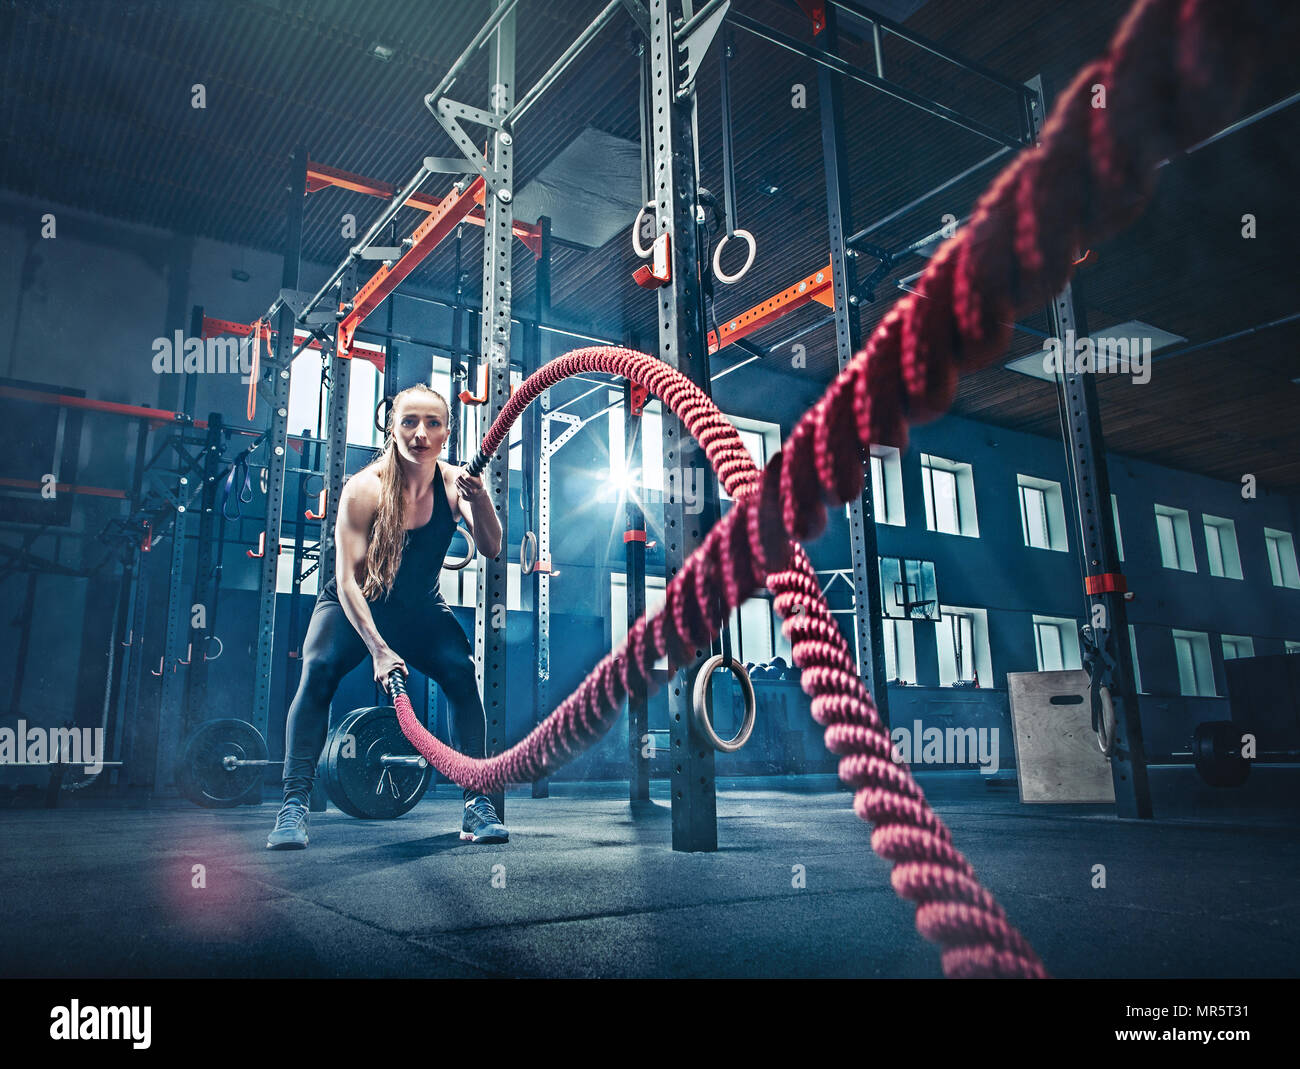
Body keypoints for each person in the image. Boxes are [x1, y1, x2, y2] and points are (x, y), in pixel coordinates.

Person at [267, 382, 506, 849]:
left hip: (419, 608)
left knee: (461, 671)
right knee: (318, 669)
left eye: (432, 424)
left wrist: (480, 499)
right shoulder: (364, 489)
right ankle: (293, 805)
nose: (420, 433)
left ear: (447, 433)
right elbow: (348, 580)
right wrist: (378, 649)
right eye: (409, 422)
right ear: (392, 428)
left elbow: (492, 546)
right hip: (355, 604)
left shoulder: (456, 484)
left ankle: (477, 803)